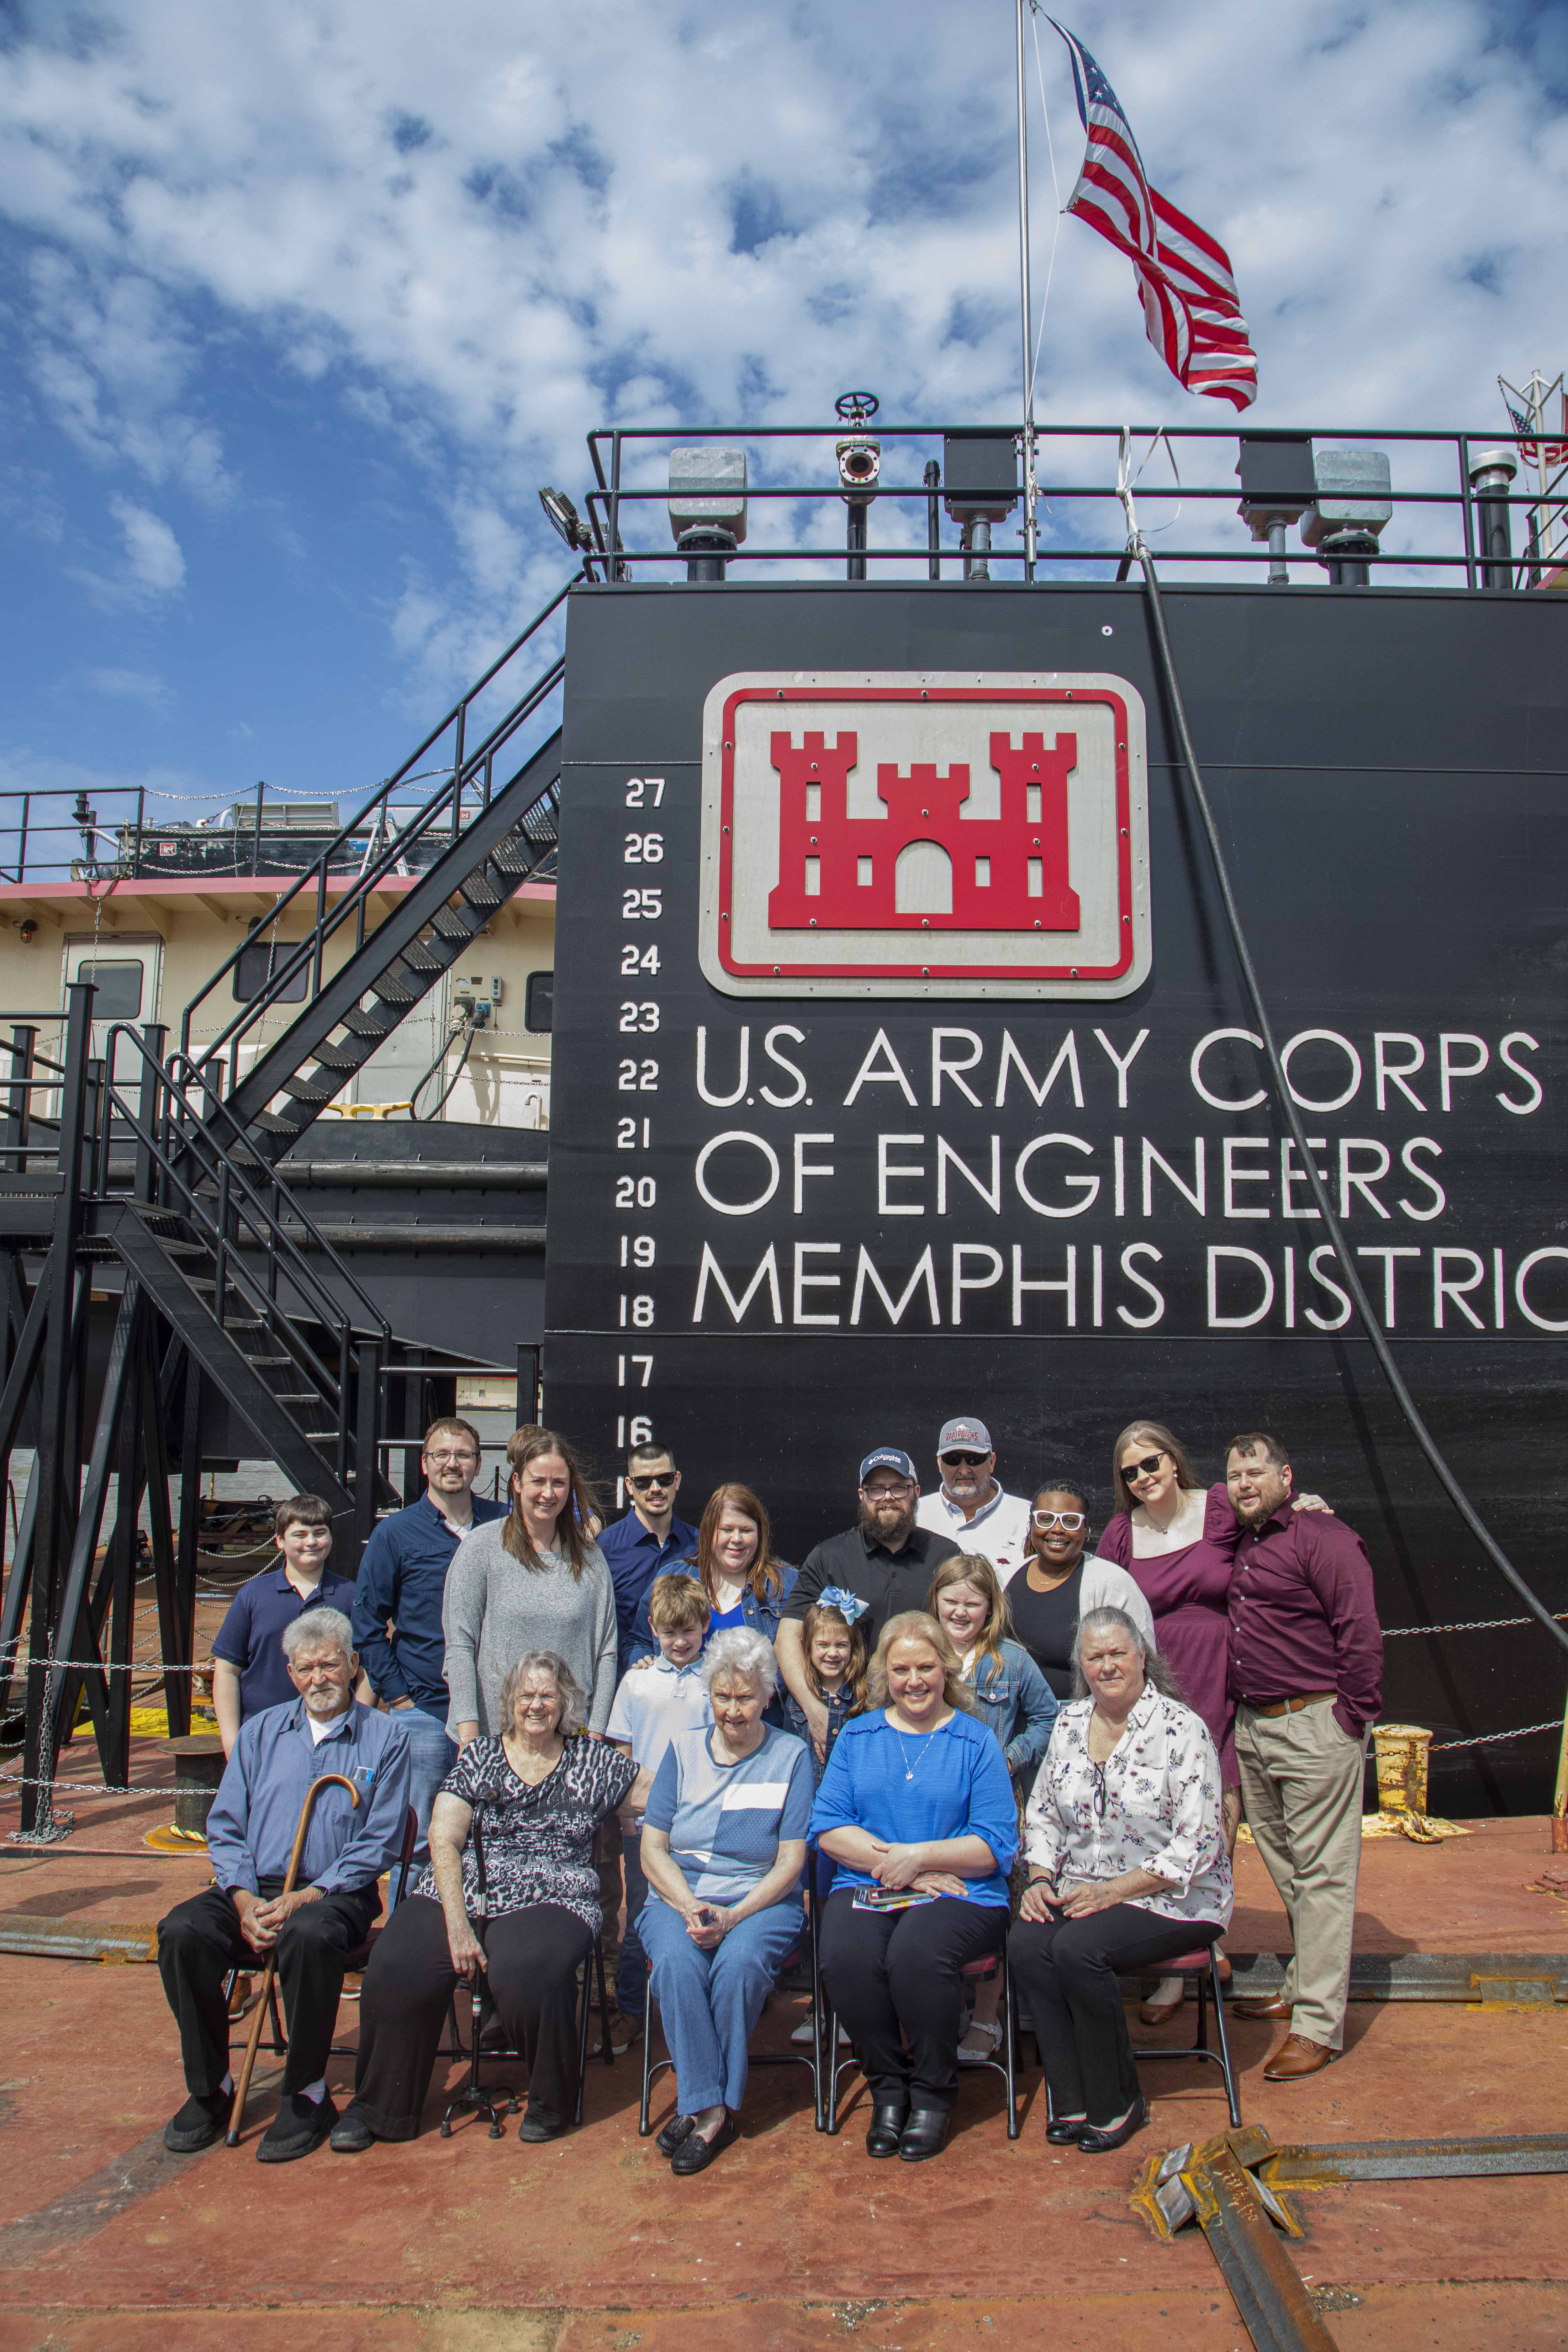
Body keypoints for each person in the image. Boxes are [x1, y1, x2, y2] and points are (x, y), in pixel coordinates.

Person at [331, 1651, 635, 2151]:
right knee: (397, 1962)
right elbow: (443, 1837)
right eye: (526, 1695)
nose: (536, 1705)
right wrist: (457, 1923)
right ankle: (379, 2104)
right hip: (466, 1883)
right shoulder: (480, 1756)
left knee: (528, 1970)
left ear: (565, 1703)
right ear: (509, 1701)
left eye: (547, 1695)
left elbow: (657, 1794)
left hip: (555, 1889)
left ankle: (550, 2101)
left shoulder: (591, 1759)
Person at [155, 1609, 411, 2163]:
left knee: (308, 1933)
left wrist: (309, 1893)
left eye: (329, 1664)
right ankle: (210, 2086)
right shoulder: (260, 1731)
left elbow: (382, 1837)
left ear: (352, 1665)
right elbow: (224, 1826)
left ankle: (307, 2091)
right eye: (306, 1667)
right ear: (290, 1672)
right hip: (256, 1886)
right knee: (182, 1930)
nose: (318, 1677)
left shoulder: (385, 1738)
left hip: (335, 1892)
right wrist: (243, 1898)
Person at [1008, 1606, 1232, 2155]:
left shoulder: (1181, 1728)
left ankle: (1116, 2099)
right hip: (1081, 1882)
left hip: (1173, 1896)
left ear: (1140, 1657)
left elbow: (1199, 1842)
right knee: (1028, 1941)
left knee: (1078, 1948)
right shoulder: (1066, 1723)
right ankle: (1072, 2096)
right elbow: (1041, 1814)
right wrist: (1038, 1877)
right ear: (1080, 1665)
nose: (1106, 1665)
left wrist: (1113, 1891)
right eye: (1094, 1656)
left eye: (1117, 1653)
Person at [812, 1611, 1018, 2162]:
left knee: (915, 1953)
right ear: (884, 1671)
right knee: (844, 1954)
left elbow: (995, 1844)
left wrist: (920, 1857)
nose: (913, 1680)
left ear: (945, 1668)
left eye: (925, 1666)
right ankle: (887, 2087)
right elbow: (828, 1826)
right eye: (900, 1668)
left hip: (964, 1891)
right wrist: (900, 1864)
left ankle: (931, 2093)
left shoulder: (976, 1740)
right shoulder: (858, 1734)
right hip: (869, 1880)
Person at [1224, 1431, 1383, 2081]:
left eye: (1255, 1472)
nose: (1242, 1484)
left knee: (1322, 1875)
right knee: (1286, 1865)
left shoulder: (1325, 1538)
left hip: (1314, 1722)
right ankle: (1300, 1982)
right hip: (1254, 1727)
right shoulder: (1238, 1534)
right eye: (1233, 1476)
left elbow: (1359, 1629)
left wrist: (1351, 1718)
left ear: (1286, 1476)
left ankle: (1318, 2024)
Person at [637, 1628, 815, 2175]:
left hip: (761, 1900)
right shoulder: (682, 1750)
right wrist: (690, 1904)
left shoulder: (790, 1755)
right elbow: (652, 1847)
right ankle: (710, 2106)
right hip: (680, 1893)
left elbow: (790, 1863)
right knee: (674, 1962)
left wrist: (734, 1915)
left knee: (737, 1965)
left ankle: (705, 2106)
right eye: (722, 1695)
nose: (732, 1710)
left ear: (766, 1696)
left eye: (744, 1697)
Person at [351, 1417, 507, 1877]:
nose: (452, 1463)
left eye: (462, 1454)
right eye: (441, 1454)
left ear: (479, 1464)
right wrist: (398, 1695)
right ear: (424, 1463)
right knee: (417, 1838)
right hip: (424, 1709)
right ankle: (411, 1938)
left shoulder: (504, 1525)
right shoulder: (395, 1534)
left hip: (493, 1712)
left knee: (490, 1832)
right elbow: (366, 1622)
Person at [926, 1552, 1058, 2063]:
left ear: (990, 1607)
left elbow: (1047, 1715)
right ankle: (945, 2007)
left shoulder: (1011, 1661)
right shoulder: (918, 1649)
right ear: (935, 1598)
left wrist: (1011, 1757)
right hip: (931, 1806)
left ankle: (986, 2016)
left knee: (993, 1903)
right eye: (951, 1600)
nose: (960, 1612)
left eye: (972, 1603)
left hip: (994, 1807)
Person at [443, 1426, 618, 1744]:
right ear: (517, 1482)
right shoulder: (481, 1548)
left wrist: (595, 1735)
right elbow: (460, 1646)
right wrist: (469, 1737)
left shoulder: (590, 1559)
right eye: (538, 1481)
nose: (548, 1493)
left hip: (571, 1741)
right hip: (495, 1739)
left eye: (559, 1483)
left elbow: (606, 1652)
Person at [776, 1449, 950, 1765]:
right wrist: (816, 1712)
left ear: (916, 1493)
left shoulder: (945, 1556)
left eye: (898, 1487)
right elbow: (788, 1637)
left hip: (924, 1719)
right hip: (848, 1719)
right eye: (875, 1489)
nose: (887, 1497)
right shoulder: (829, 1556)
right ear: (861, 1495)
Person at [603, 1573, 715, 2046]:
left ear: (705, 1625)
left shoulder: (717, 1678)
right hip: (648, 1825)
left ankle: (703, 2004)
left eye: (688, 1630)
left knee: (701, 1912)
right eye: (669, 1632)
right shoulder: (636, 1681)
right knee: (642, 1919)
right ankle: (632, 2008)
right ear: (652, 1627)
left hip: (706, 1824)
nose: (679, 1641)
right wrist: (627, 1812)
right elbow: (621, 1749)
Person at [782, 1594, 870, 2050]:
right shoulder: (795, 1695)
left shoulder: (866, 1699)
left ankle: (851, 2007)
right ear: (808, 1649)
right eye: (823, 1645)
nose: (833, 1653)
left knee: (848, 1914)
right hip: (809, 1828)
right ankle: (820, 2005)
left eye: (842, 1644)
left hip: (852, 1829)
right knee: (815, 1917)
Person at [211, 1494, 361, 1755]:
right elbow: (226, 1670)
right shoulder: (253, 1595)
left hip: (334, 1737)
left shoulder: (351, 1595)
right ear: (280, 1540)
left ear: (331, 1538)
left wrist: (356, 1726)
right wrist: (231, 1743)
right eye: (300, 1534)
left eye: (319, 1533)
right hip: (262, 1735)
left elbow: (367, 1669)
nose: (311, 1542)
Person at [1004, 1480, 1157, 1698]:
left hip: (1082, 1722)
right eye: (1046, 1519)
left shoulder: (1111, 1582)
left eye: (1070, 1521)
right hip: (1013, 1721)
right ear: (1031, 1525)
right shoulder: (1011, 1575)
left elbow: (1143, 1661)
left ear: (1086, 1530)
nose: (1057, 1529)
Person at [627, 1481, 797, 1666]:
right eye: (726, 1530)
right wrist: (642, 1662)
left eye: (747, 1530)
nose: (737, 1539)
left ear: (760, 1534)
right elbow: (639, 1641)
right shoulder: (673, 1577)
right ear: (709, 1531)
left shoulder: (786, 1583)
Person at [598, 1439, 699, 1675]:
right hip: (628, 1689)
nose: (655, 1488)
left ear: (677, 1480)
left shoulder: (700, 1545)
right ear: (629, 1486)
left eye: (664, 1479)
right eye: (643, 1482)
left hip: (691, 1689)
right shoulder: (605, 1548)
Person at [914, 1416, 1033, 1580]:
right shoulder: (915, 1514)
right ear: (940, 1464)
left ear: (991, 1462)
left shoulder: (1027, 1516)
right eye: (953, 1460)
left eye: (974, 1459)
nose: (964, 1470)